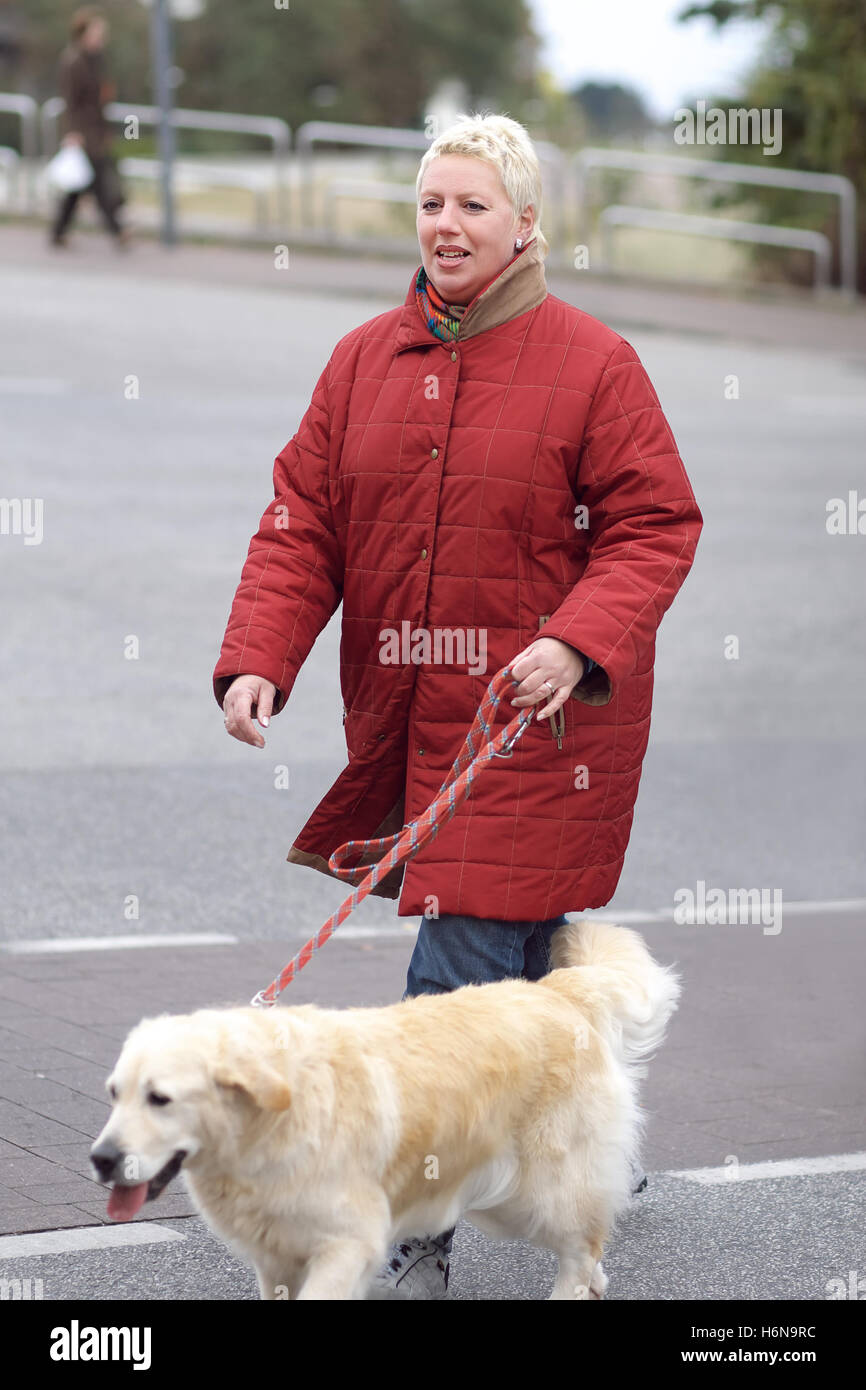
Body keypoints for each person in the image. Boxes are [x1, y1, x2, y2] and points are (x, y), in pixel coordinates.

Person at [212, 112, 703, 1299]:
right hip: (410, 721)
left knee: (455, 985)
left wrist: (573, 644)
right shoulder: (360, 359)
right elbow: (302, 523)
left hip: (540, 730)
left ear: (525, 225)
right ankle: (586, 1144)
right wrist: (258, 656)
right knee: (521, 968)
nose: (445, 225)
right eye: (431, 204)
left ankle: (412, 1223)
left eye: (472, 205)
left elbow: (653, 525)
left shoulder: (593, 362)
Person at [50, 6, 127, 248]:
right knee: (99, 181)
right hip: (83, 133)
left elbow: (102, 98)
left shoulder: (97, 60)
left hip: (96, 130)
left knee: (79, 186)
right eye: (96, 33)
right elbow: (69, 100)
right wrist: (71, 133)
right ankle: (117, 230)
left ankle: (58, 231)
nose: (100, 38)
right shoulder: (72, 61)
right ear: (83, 33)